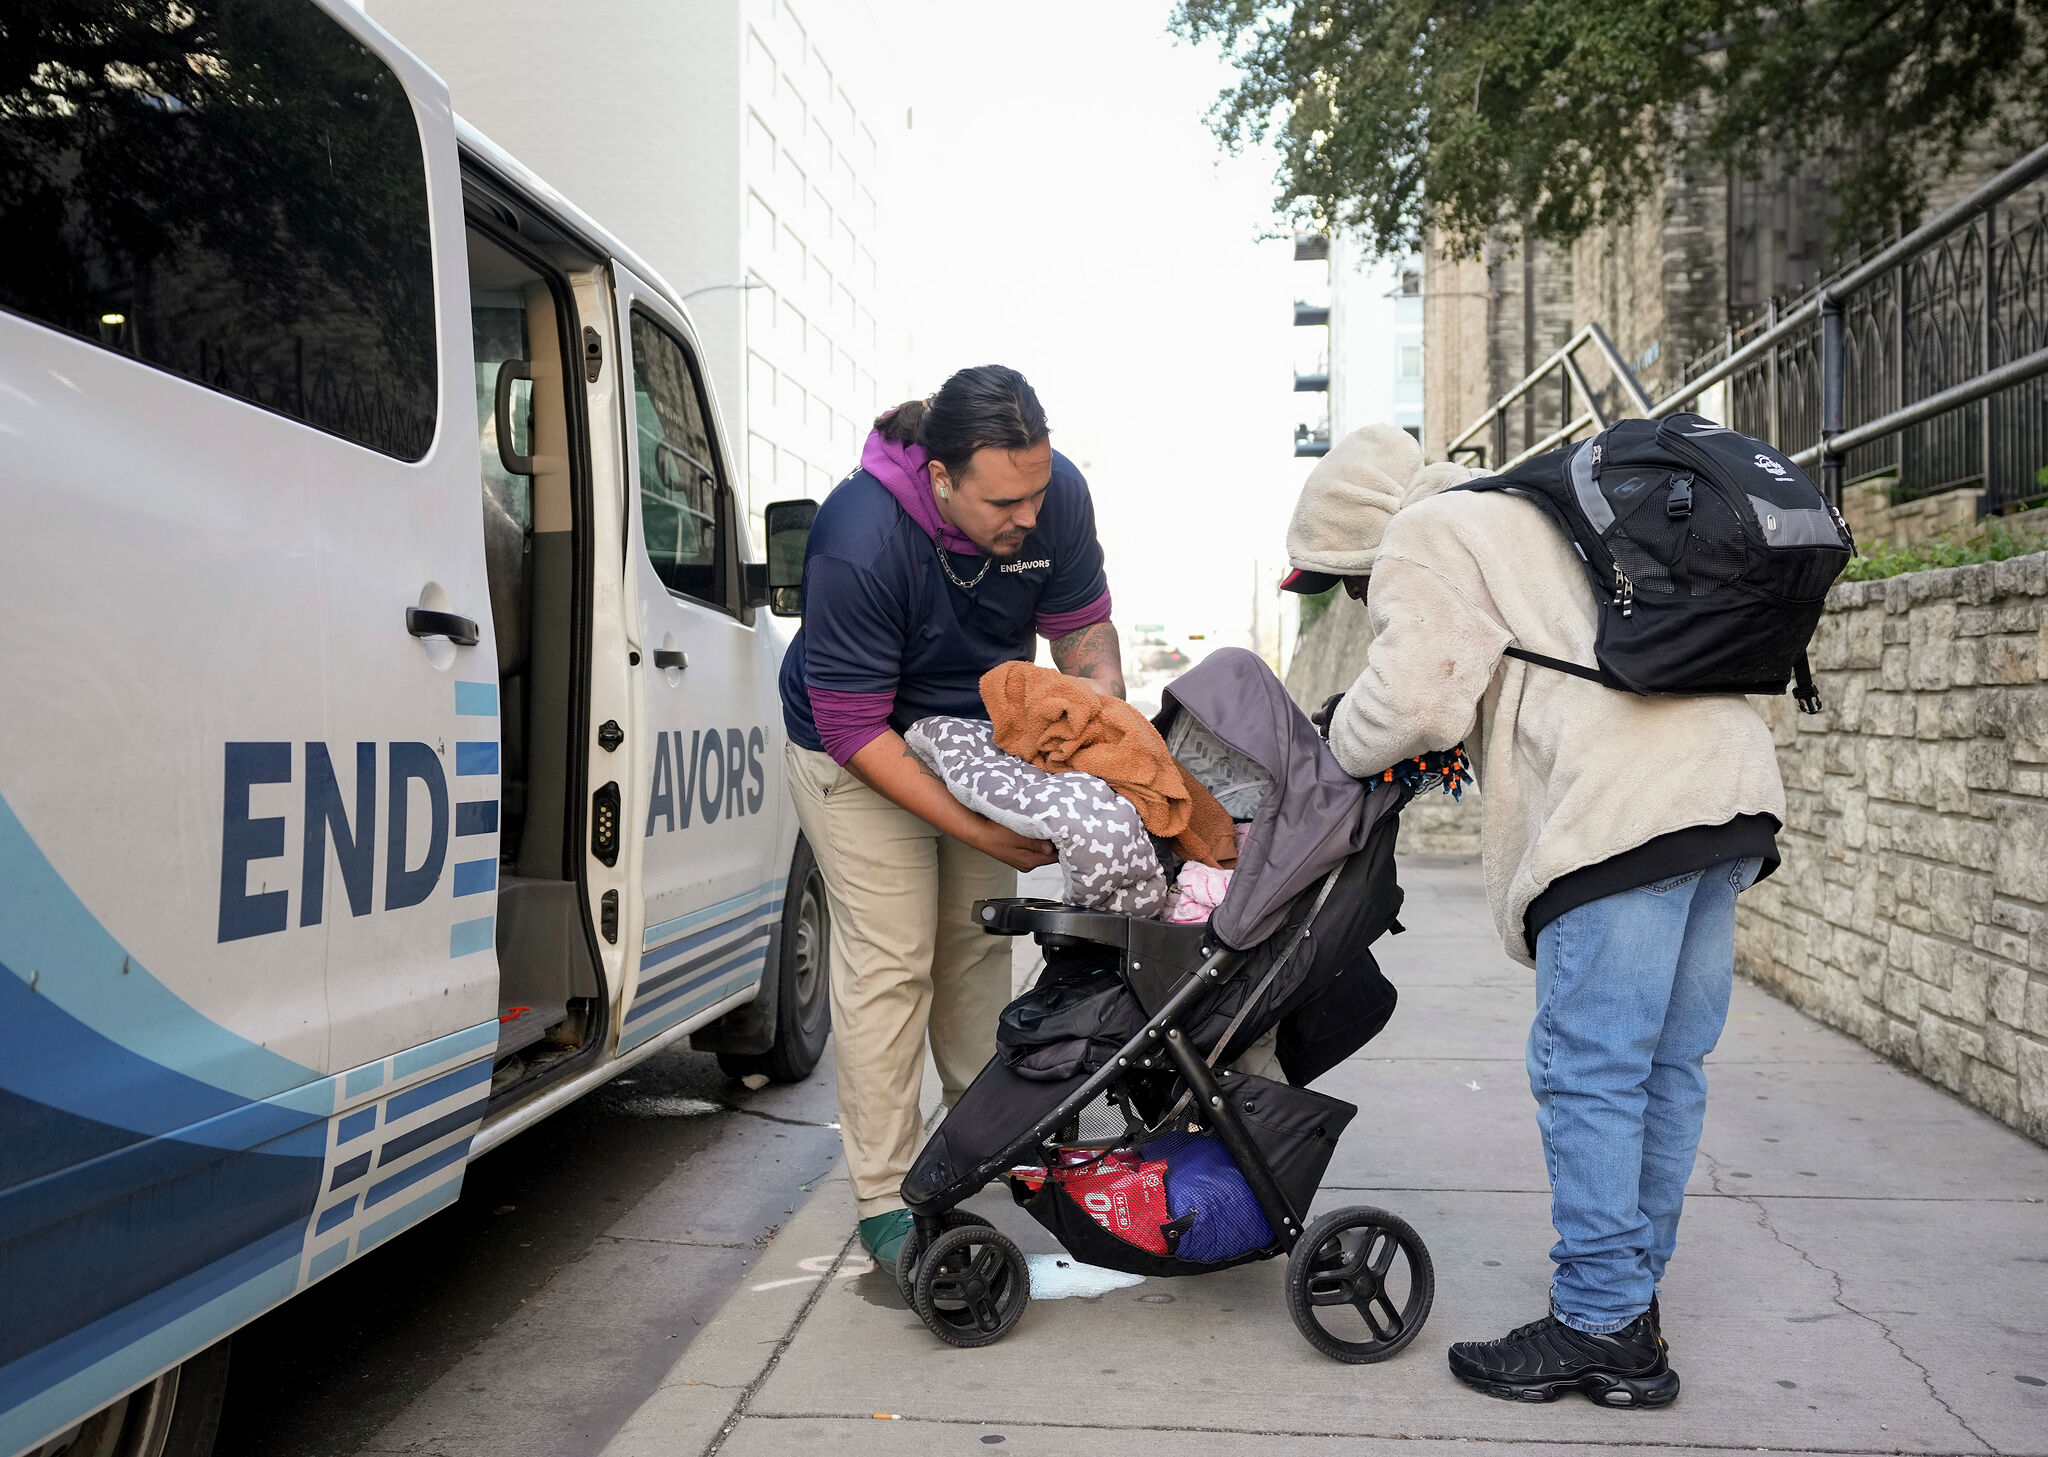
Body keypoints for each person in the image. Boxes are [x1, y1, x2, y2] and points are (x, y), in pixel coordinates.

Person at [1281, 423, 1785, 1408]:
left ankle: (1598, 1323)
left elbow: (1416, 697)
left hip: (1624, 808)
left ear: (1353, 539)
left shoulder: (1425, 532)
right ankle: (1624, 1297)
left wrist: (1329, 745)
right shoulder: (1532, 507)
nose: (1352, 597)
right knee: (1660, 1066)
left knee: (1589, 1067)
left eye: (1342, 580)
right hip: (1727, 790)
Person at [778, 364, 1124, 1271]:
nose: (1027, 516)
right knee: (894, 958)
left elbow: (1084, 637)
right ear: (941, 480)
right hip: (857, 745)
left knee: (974, 950)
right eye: (1004, 501)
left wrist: (1104, 741)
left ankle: (992, 1146)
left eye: (1037, 492)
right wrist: (985, 833)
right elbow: (856, 727)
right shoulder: (860, 535)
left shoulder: (1055, 498)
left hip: (973, 739)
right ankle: (887, 1201)